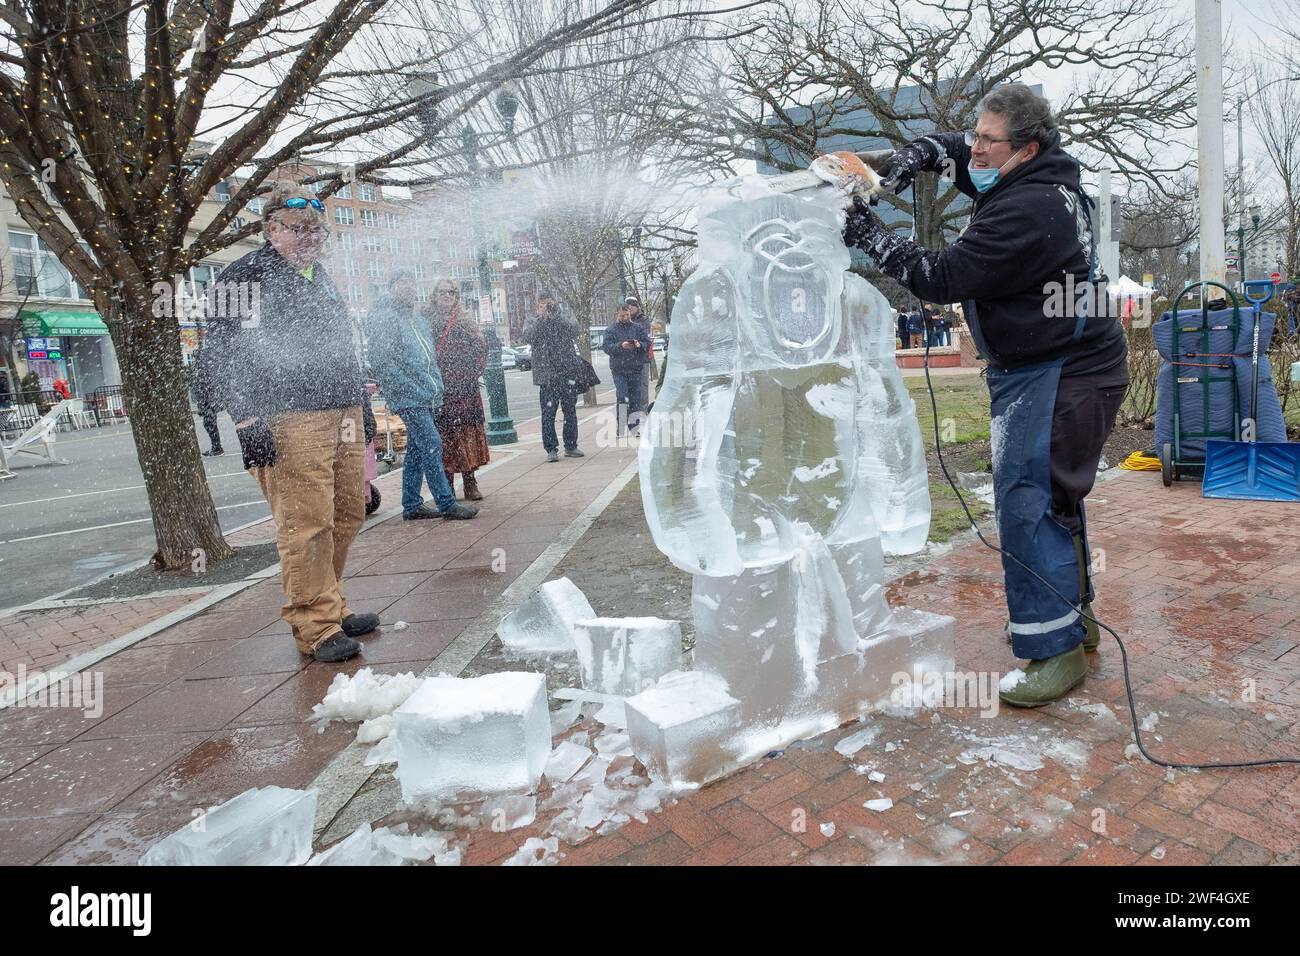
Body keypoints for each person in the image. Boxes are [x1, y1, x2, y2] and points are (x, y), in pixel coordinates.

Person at [841, 83, 1128, 707]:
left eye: (986, 140)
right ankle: (1067, 623)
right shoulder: (1030, 178)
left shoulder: (1030, 210)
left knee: (1030, 501)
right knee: (1052, 498)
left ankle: (1054, 652)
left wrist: (866, 230)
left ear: (1023, 149)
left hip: (1065, 371)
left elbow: (943, 276)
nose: (973, 148)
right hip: (1059, 364)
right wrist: (908, 159)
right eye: (974, 133)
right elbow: (957, 154)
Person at [204, 182, 376, 663]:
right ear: (271, 229)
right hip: (287, 417)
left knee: (347, 512)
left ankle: (332, 605)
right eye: (298, 228)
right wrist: (247, 420)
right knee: (307, 524)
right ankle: (315, 625)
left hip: (341, 410)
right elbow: (220, 353)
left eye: (316, 230)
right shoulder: (242, 278)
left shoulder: (320, 277)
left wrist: (360, 406)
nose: (310, 237)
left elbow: (343, 345)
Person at [367, 271, 479, 523]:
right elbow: (382, 361)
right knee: (432, 444)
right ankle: (446, 503)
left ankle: (411, 505)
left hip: (426, 394)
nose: (409, 289)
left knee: (418, 450)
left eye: (412, 284)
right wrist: (408, 387)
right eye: (402, 284)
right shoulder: (385, 318)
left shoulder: (416, 319)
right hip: (409, 396)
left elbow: (428, 358)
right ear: (392, 287)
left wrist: (435, 386)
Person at [427, 279, 490, 500]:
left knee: (467, 436)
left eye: (451, 292)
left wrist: (471, 374)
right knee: (445, 439)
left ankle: (470, 482)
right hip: (439, 391)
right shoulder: (426, 322)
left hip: (465, 390)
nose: (447, 295)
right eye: (442, 292)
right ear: (434, 295)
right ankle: (448, 486)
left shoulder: (465, 321)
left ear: (456, 297)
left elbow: (481, 349)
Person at [524, 294, 584, 462]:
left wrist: (557, 316)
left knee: (570, 411)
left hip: (567, 373)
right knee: (548, 414)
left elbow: (575, 330)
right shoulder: (533, 320)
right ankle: (551, 449)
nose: (546, 309)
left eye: (548, 305)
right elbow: (528, 337)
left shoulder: (562, 316)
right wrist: (542, 319)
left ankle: (571, 446)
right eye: (542, 306)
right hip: (547, 376)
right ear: (537, 307)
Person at [602, 304, 650, 436]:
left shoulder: (638, 328)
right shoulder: (611, 330)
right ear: (617, 314)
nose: (626, 317)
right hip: (619, 370)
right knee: (622, 397)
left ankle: (634, 427)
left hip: (635, 368)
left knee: (635, 399)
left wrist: (640, 345)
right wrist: (621, 346)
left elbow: (647, 342)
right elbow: (606, 347)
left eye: (627, 315)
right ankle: (621, 427)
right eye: (623, 315)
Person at [193, 344, 224, 456]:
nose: (195, 360)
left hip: (208, 403)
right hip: (208, 402)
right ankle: (216, 447)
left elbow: (204, 388)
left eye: (196, 357)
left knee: (209, 424)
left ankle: (217, 447)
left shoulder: (203, 370)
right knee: (210, 424)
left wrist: (204, 402)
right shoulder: (205, 369)